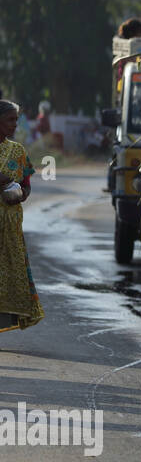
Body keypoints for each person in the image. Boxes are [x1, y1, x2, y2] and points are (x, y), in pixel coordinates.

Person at [0, 100, 43, 334]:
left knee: (8, 275)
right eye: (10, 120)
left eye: (16, 120)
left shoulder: (17, 151)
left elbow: (27, 184)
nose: (15, 125)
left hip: (11, 224)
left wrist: (21, 194)